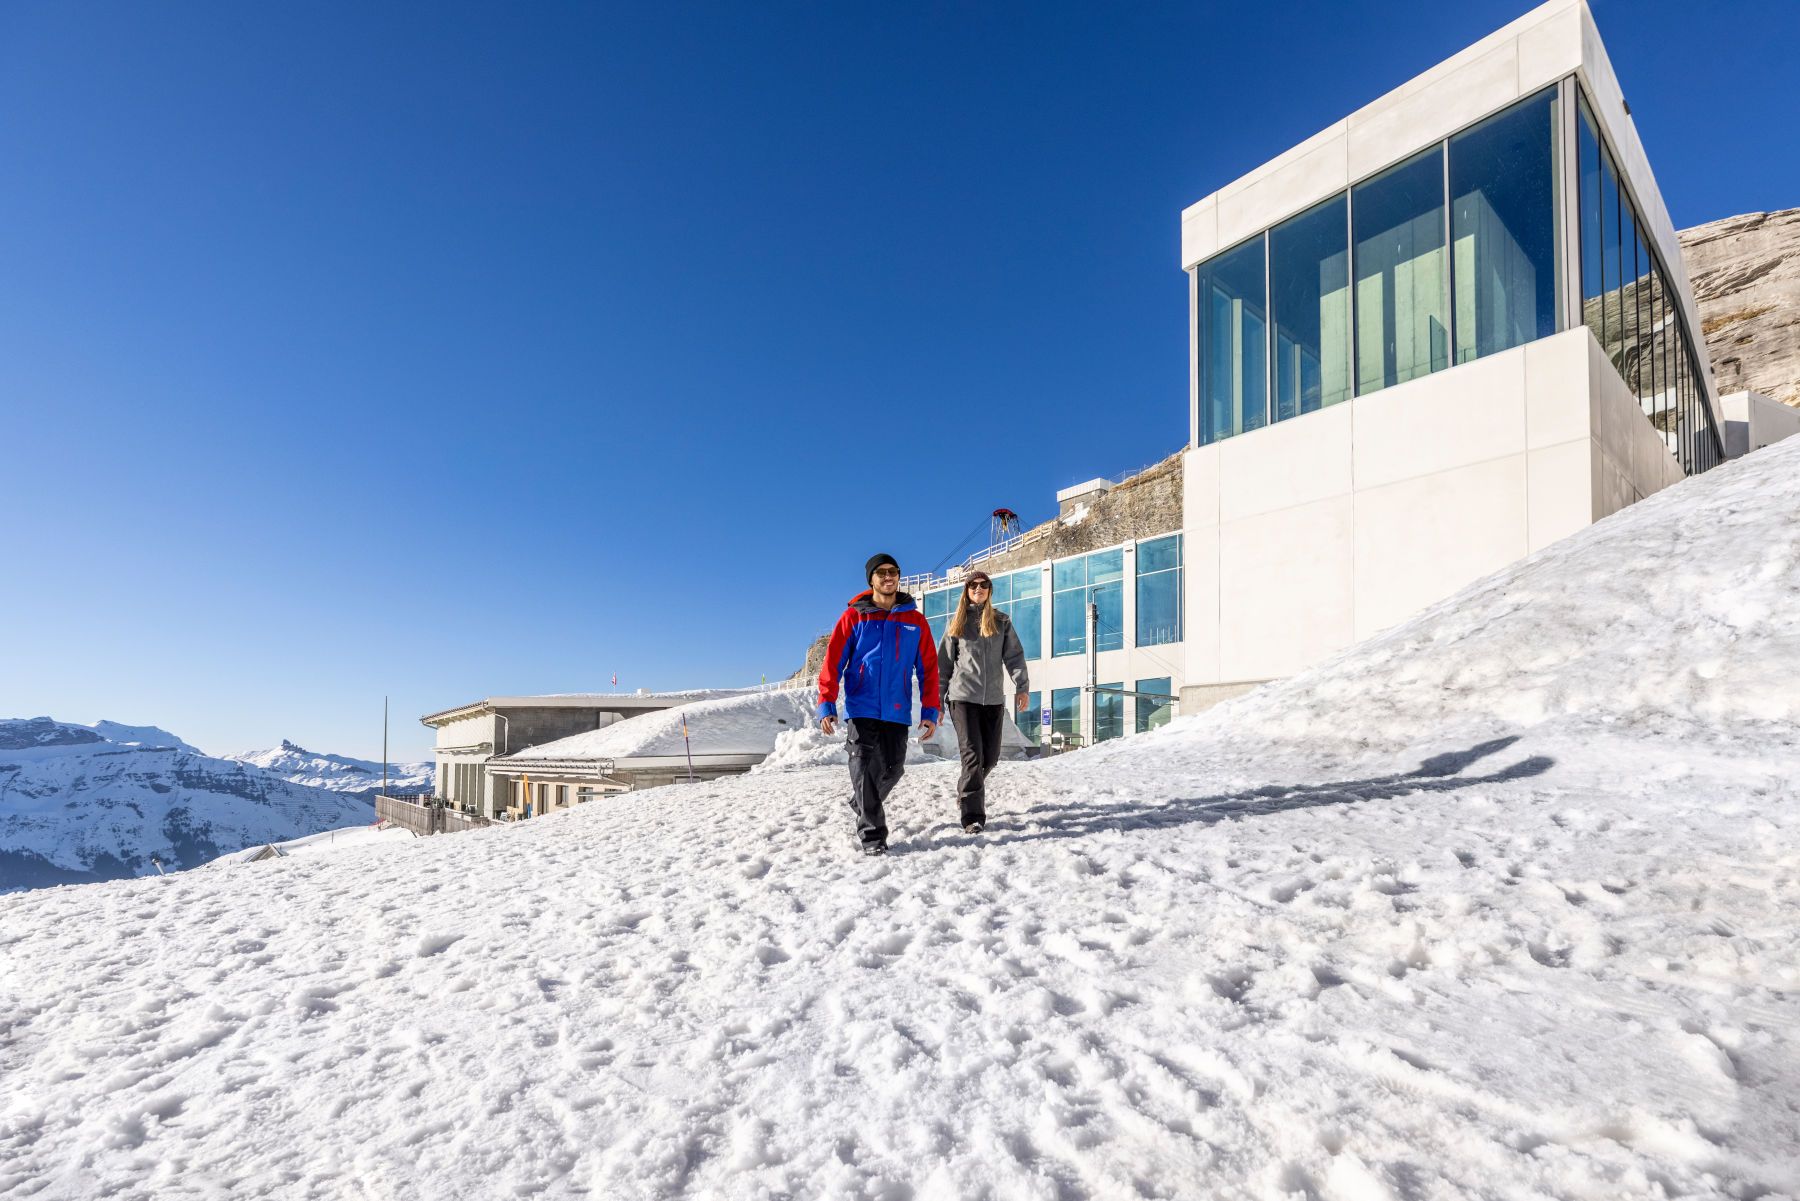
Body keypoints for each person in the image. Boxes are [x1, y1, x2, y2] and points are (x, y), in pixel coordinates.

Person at [817, 554, 940, 856]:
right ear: (871, 579)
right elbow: (833, 661)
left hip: (896, 708)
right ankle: (873, 836)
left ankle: (861, 801)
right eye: (882, 573)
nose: (889, 577)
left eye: (893, 572)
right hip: (862, 706)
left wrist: (930, 711)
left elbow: (929, 670)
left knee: (893, 769)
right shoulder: (854, 618)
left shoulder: (915, 621)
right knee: (862, 765)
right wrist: (826, 703)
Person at [935, 571, 1029, 834]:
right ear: (966, 590)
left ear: (989, 590)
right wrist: (937, 703)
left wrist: (1022, 686)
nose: (978, 588)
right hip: (962, 698)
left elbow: (1014, 657)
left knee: (991, 757)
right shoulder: (956, 624)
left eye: (983, 585)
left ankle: (966, 791)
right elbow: (943, 665)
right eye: (973, 585)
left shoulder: (1001, 621)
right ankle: (972, 816)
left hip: (993, 701)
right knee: (973, 757)